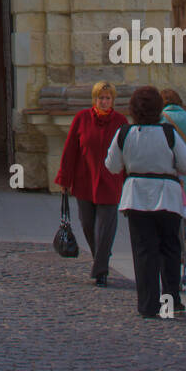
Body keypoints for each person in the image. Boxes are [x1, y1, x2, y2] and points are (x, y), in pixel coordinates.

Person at [105, 86, 186, 319]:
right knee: (170, 249)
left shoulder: (125, 133)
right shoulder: (168, 133)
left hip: (138, 195)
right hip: (167, 195)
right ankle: (171, 300)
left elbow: (112, 165)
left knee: (144, 251)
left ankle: (148, 303)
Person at [55, 81, 128, 287]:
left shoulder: (121, 121)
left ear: (113, 100)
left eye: (108, 98)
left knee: (105, 227)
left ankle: (101, 269)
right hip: (85, 179)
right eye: (101, 98)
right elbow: (71, 150)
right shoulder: (82, 118)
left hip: (110, 181)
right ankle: (101, 255)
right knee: (87, 224)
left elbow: (127, 152)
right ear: (94, 99)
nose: (104, 102)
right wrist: (64, 179)